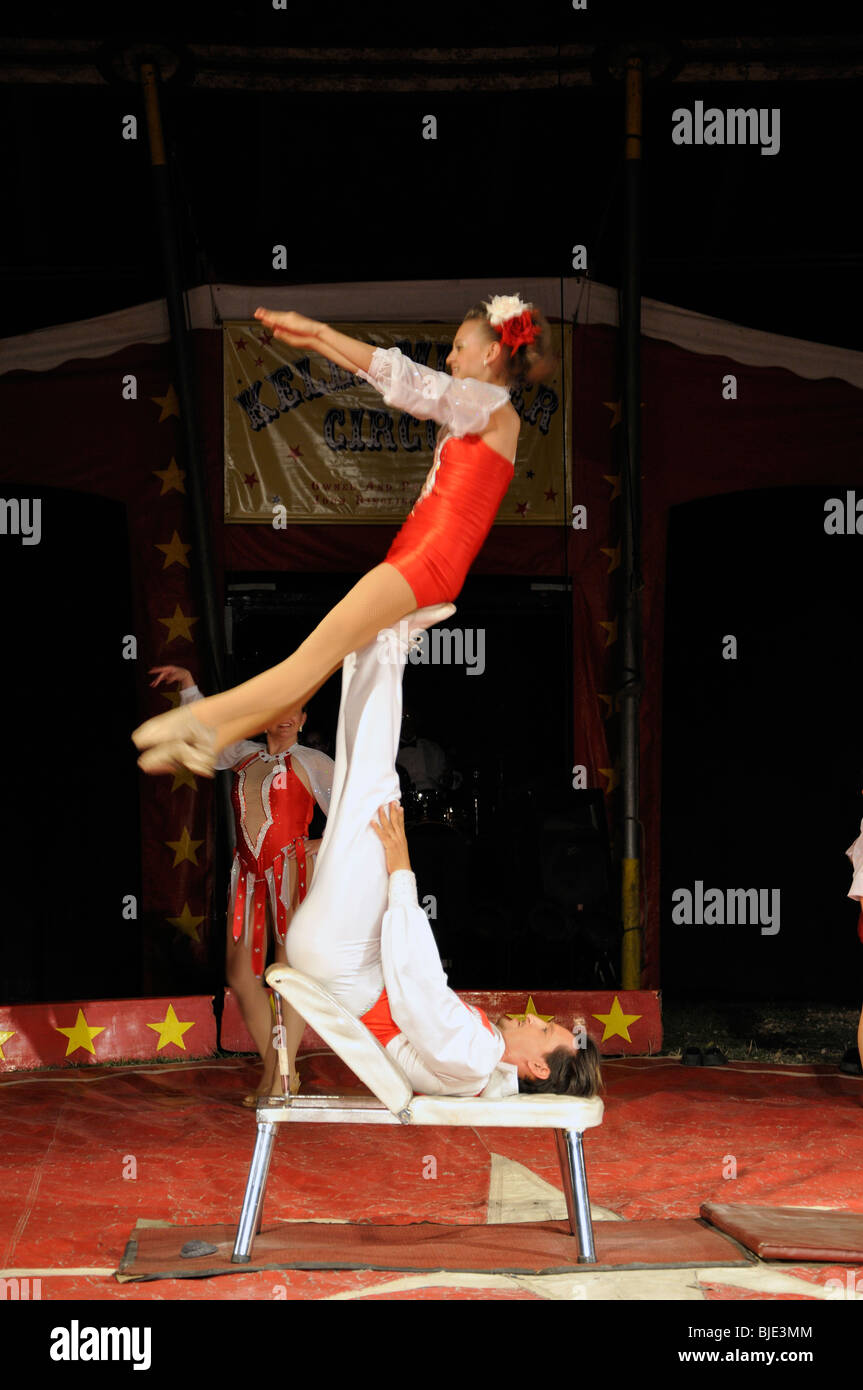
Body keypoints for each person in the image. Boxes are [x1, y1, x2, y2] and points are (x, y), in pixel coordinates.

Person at [132, 295, 556, 777]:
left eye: (460, 347)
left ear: (492, 354)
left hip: (424, 562)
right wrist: (315, 336)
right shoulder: (483, 414)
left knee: (307, 661)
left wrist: (319, 333)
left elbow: (411, 383)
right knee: (308, 678)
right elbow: (414, 389)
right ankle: (212, 741)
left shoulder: (492, 406)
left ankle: (194, 722)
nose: (452, 358)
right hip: (423, 561)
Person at [283, 609, 603, 1099]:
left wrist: (401, 869)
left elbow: (417, 989)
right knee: (358, 784)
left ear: (536, 1067)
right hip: (343, 960)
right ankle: (370, 648)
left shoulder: (477, 1057)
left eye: (543, 1031)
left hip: (343, 959)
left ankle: (386, 644)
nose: (534, 1016)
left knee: (375, 792)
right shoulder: (481, 1056)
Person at [149, 665, 334, 1102]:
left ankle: (282, 1078)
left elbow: (362, 807)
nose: (286, 717)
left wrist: (323, 843)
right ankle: (276, 1068)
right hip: (248, 875)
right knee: (241, 973)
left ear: (304, 719)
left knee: (287, 976)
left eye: (296, 711)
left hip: (292, 875)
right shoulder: (242, 755)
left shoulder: (314, 762)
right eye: (278, 709)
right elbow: (204, 732)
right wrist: (191, 686)